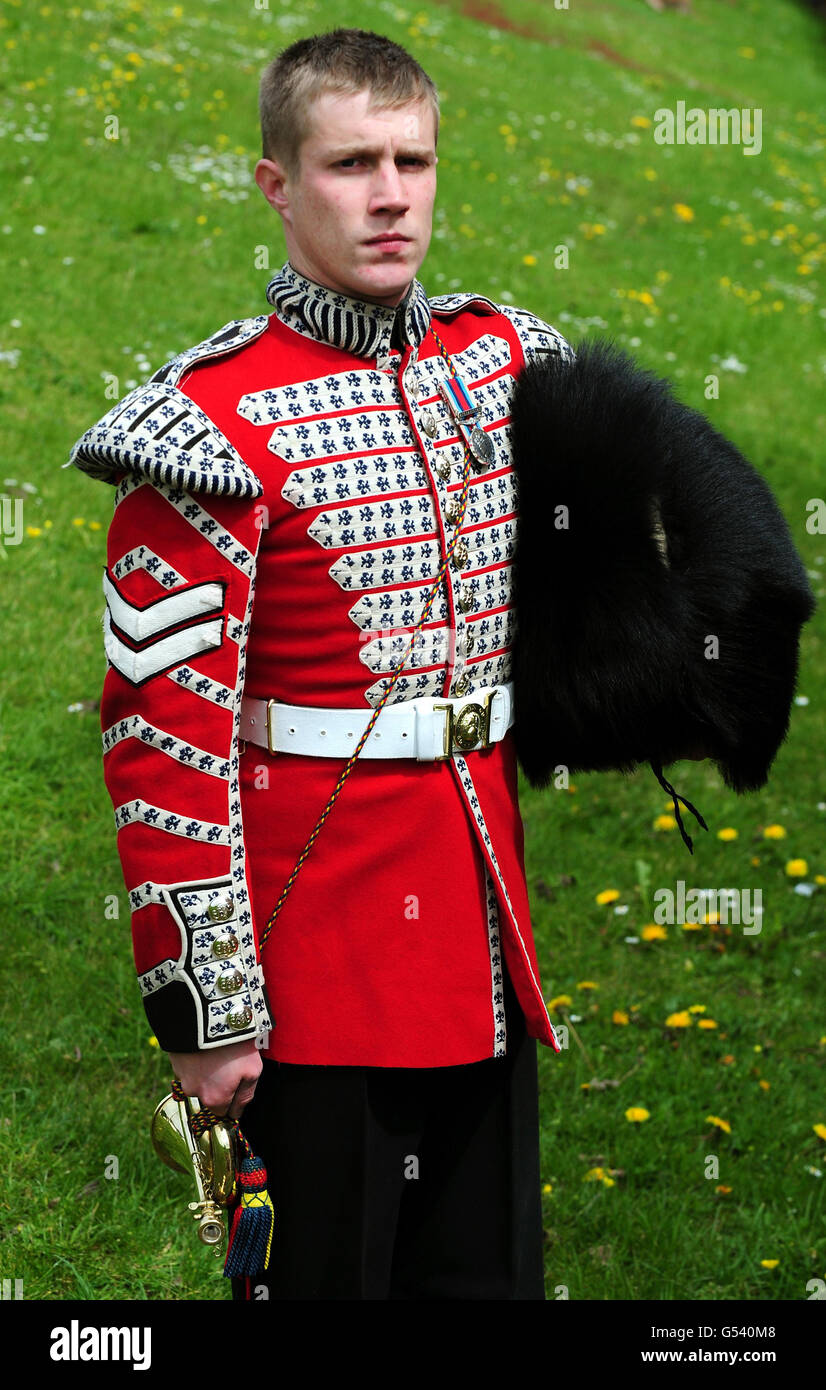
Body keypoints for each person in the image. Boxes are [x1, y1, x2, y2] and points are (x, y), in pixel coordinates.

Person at [66, 27, 577, 1300]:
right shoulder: (211, 423)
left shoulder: (504, 364)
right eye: (352, 162)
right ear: (276, 185)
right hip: (317, 960)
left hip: (481, 934)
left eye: (414, 159)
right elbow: (162, 741)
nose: (392, 192)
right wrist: (207, 1014)